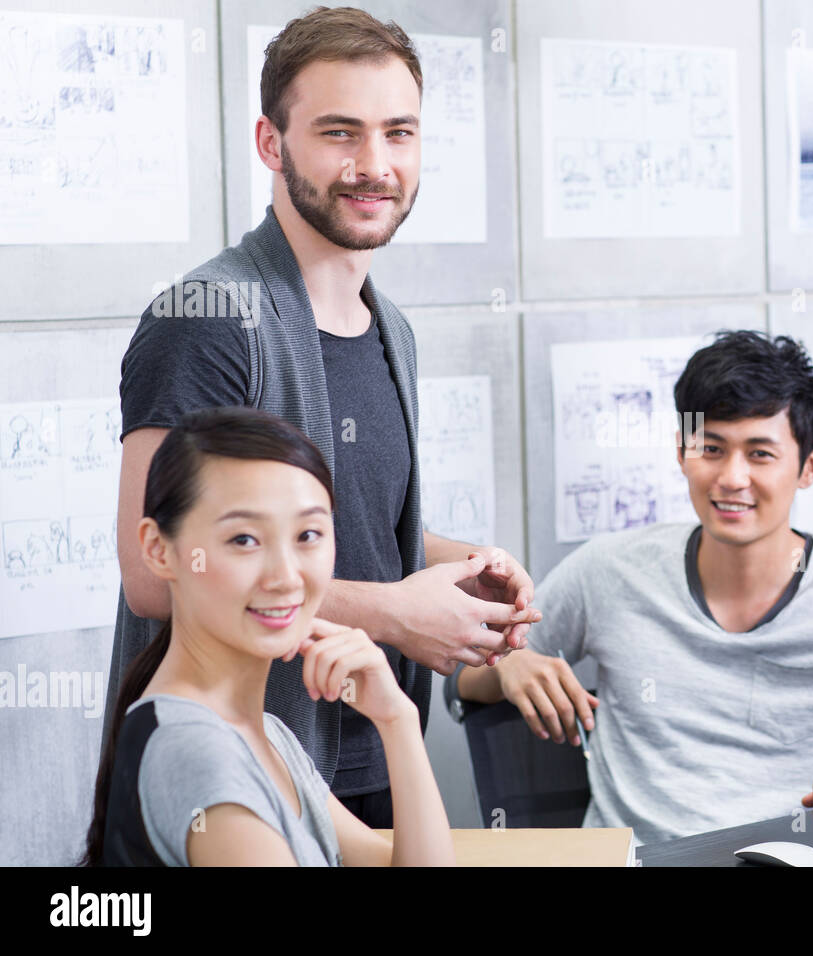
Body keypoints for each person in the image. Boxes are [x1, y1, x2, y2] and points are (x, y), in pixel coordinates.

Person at [106, 7, 539, 828]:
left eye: (399, 134)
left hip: (366, 747)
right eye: (341, 133)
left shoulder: (392, 328)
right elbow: (152, 571)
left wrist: (464, 569)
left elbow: (352, 529)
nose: (374, 165)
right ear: (272, 144)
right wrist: (398, 615)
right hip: (243, 765)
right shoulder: (208, 317)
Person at [455, 332, 813, 846]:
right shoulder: (608, 570)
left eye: (761, 454)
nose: (732, 477)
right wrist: (507, 661)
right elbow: (462, 678)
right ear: (682, 452)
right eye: (712, 449)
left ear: (810, 465)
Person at [83, 407, 454, 866]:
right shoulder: (197, 753)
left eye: (308, 534)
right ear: (159, 550)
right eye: (244, 540)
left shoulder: (268, 736)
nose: (285, 576)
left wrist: (397, 719)